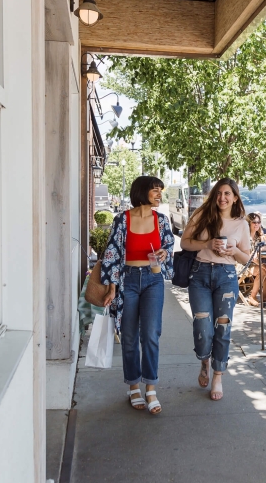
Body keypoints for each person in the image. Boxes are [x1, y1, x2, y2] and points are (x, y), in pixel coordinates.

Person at [100, 176, 175, 415]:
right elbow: (111, 253)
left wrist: (164, 253)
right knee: (129, 336)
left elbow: (169, 246)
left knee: (151, 334)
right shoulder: (121, 220)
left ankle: (150, 388)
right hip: (127, 281)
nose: (159, 194)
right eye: (156, 190)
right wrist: (112, 288)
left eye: (160, 191)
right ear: (142, 192)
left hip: (153, 280)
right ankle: (133, 386)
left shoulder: (161, 220)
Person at [180, 178, 251, 401]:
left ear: (235, 197)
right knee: (202, 326)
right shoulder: (202, 215)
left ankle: (217, 375)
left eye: (227, 193)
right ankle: (204, 361)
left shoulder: (242, 223)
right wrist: (207, 244)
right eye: (219, 193)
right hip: (200, 274)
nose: (222, 197)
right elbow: (184, 243)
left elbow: (246, 258)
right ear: (214, 195)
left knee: (223, 328)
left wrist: (233, 252)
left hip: (226, 277)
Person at [244, 212, 266, 306]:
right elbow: (247, 256)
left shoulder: (258, 236)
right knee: (263, 271)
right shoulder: (245, 236)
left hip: (254, 262)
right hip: (243, 264)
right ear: (249, 223)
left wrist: (263, 240)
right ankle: (252, 296)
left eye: (258, 222)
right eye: (254, 222)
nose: (256, 224)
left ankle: (264, 295)